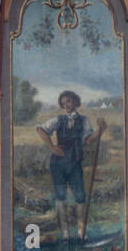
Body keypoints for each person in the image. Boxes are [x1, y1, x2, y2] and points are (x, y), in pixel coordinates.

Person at [36, 91, 105, 243]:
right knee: (61, 196)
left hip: (75, 163)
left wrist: (101, 130)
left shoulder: (84, 120)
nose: (67, 104)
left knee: (80, 197)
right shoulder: (58, 119)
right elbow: (40, 130)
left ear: (76, 102)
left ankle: (81, 232)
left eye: (70, 101)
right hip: (58, 164)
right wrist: (52, 147)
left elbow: (88, 140)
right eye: (64, 102)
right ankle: (66, 234)